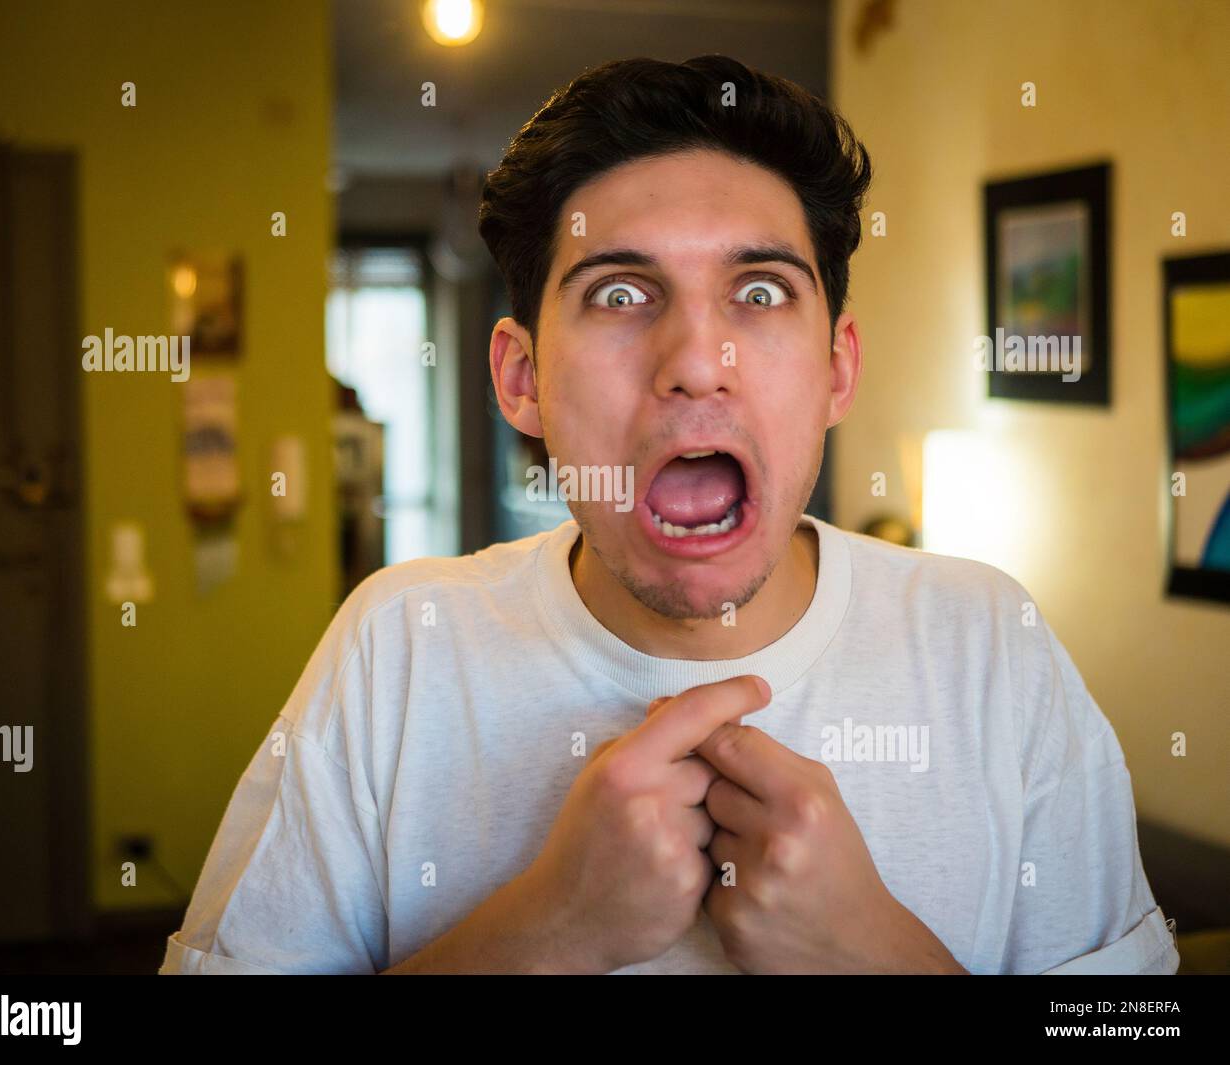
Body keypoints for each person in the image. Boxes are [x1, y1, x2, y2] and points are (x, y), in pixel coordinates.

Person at [159, 55, 1178, 975]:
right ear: (520, 379)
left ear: (836, 369)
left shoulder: (991, 647)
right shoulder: (397, 651)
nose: (698, 363)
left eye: (762, 293)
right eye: (619, 295)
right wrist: (542, 935)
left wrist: (876, 958)